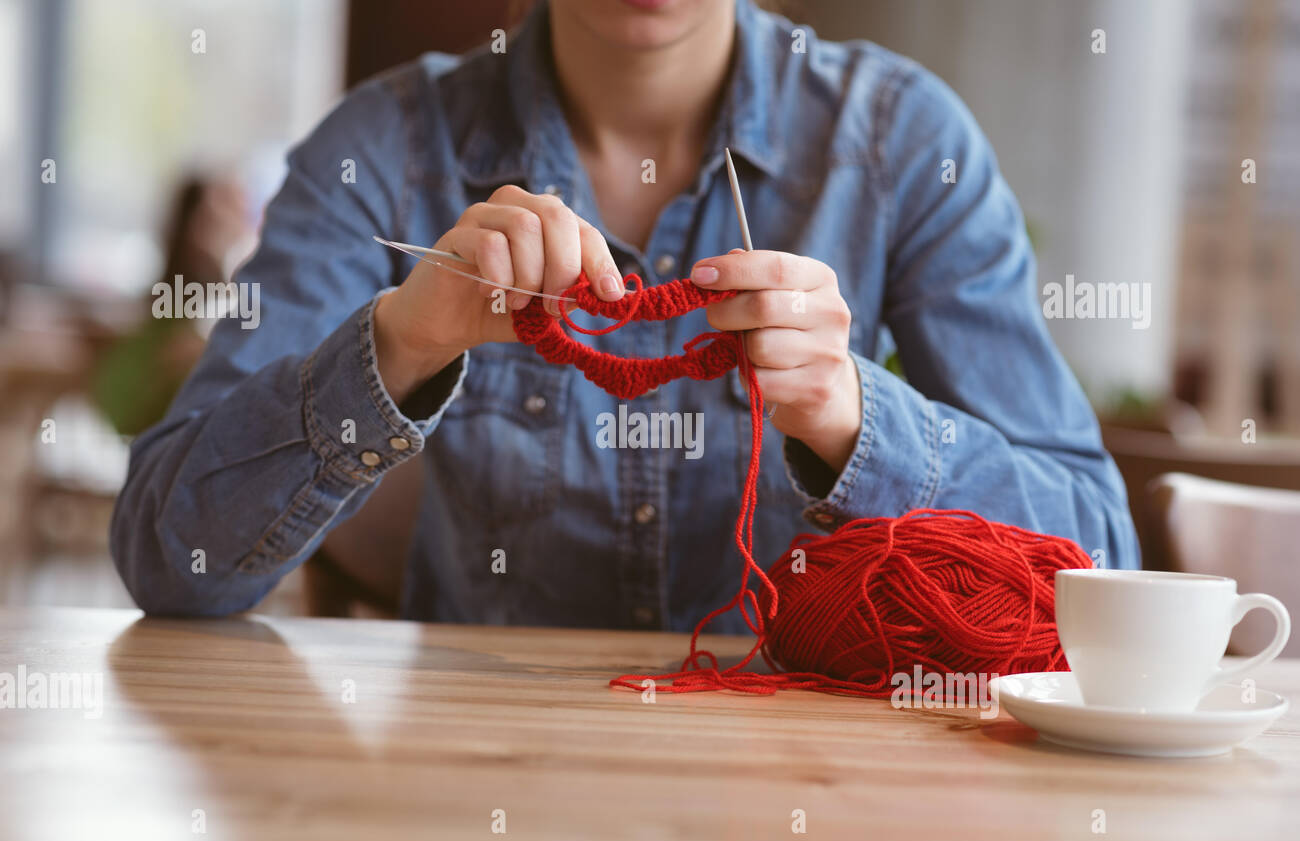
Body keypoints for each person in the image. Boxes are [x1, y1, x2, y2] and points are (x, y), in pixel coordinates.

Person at [110, 0, 1139, 629]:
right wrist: (399, 344)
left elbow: (1102, 561)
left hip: (797, 796)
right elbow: (169, 558)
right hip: (471, 794)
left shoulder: (902, 142)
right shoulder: (382, 147)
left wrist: (856, 419)